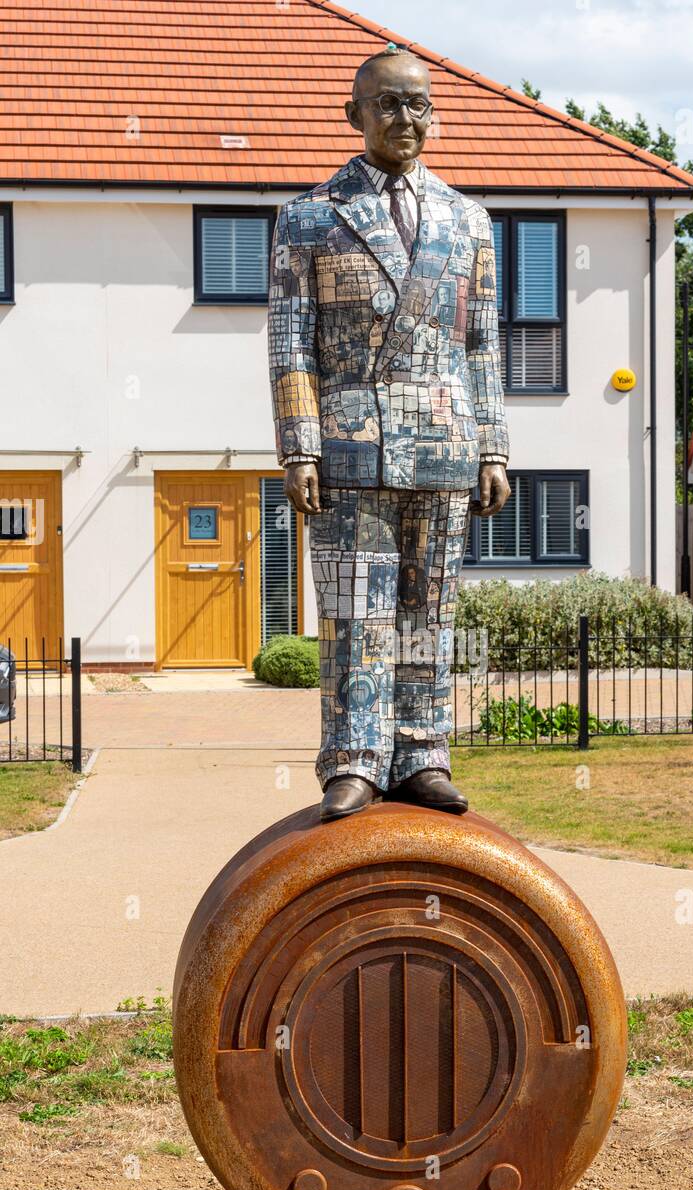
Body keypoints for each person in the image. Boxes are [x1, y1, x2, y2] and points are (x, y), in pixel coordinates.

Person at [268, 44, 510, 822]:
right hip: (349, 445)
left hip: (444, 446)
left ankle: (422, 753)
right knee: (353, 614)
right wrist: (299, 444)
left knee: (426, 613)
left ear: (432, 115)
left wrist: (493, 446)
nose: (404, 117)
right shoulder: (310, 215)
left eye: (417, 103)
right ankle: (354, 760)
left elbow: (482, 345)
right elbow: (290, 340)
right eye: (387, 103)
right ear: (354, 114)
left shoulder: (467, 219)